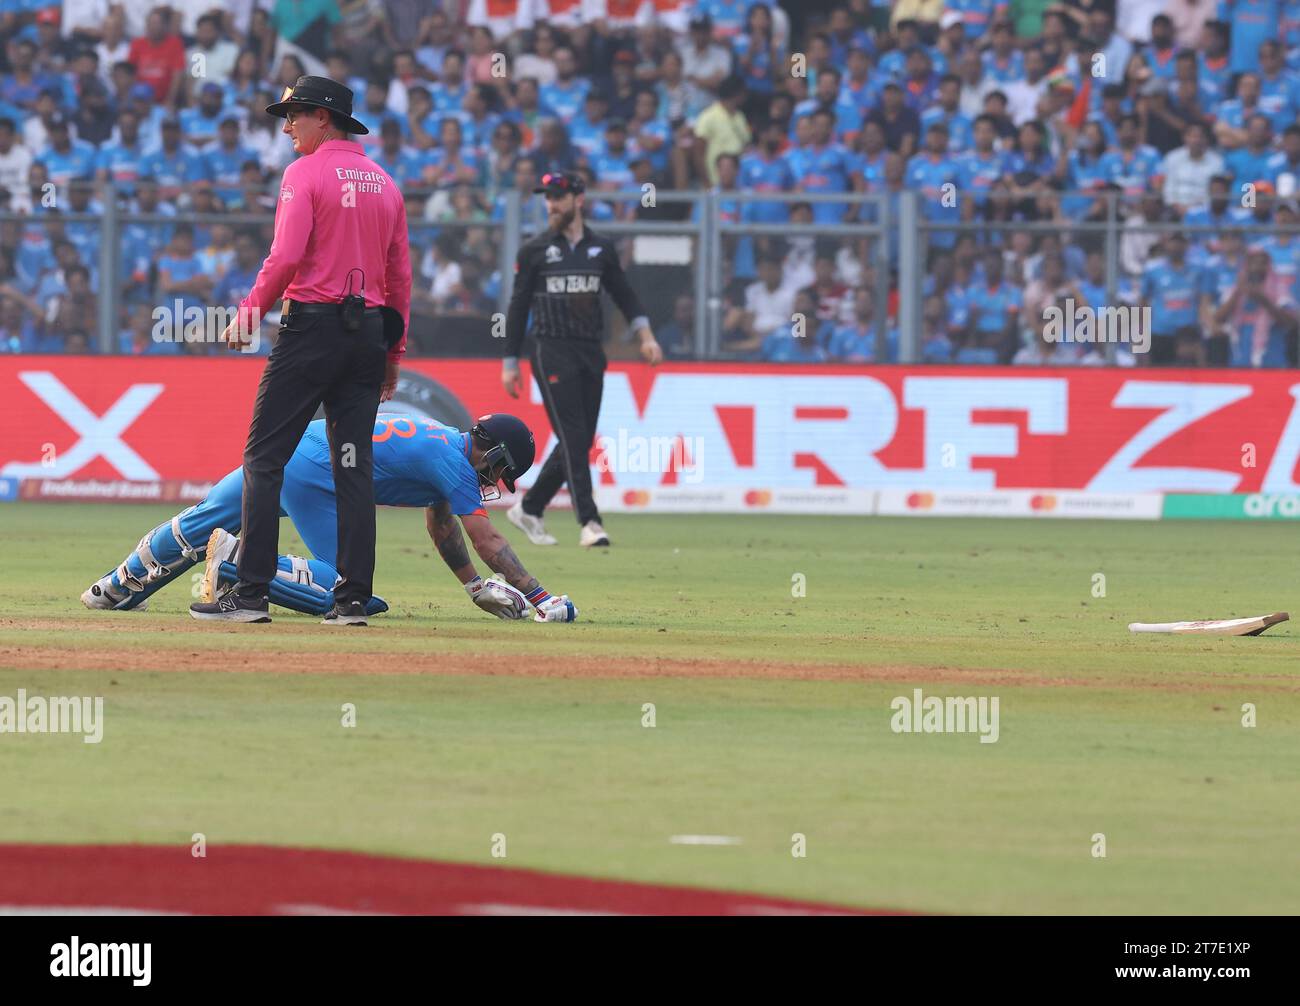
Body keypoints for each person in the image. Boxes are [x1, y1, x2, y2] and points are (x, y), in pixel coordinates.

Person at [188, 76, 411, 626]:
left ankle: (251, 594)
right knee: (353, 468)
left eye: (294, 116)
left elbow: (286, 255)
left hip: (311, 329)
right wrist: (393, 355)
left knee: (264, 461)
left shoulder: (304, 173)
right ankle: (353, 599)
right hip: (367, 338)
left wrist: (247, 311)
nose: (286, 127)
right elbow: (400, 279)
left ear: (323, 118)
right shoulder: (386, 184)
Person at [82, 413, 578, 624]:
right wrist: (540, 597)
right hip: (321, 469)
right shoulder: (454, 460)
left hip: (298, 444)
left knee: (206, 517)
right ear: (490, 448)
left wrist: (474, 586)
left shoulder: (446, 446)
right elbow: (487, 538)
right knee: (351, 589)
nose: (495, 478)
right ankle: (235, 564)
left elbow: (442, 526)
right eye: (500, 468)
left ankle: (114, 587)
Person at [500, 170, 663, 548]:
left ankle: (530, 507)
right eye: (548, 198)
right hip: (551, 352)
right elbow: (518, 305)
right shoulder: (535, 250)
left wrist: (646, 336)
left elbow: (625, 296)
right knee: (573, 435)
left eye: (558, 197)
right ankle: (590, 522)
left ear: (579, 200)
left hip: (591, 351)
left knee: (580, 439)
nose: (551, 204)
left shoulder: (600, 249)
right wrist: (510, 361)